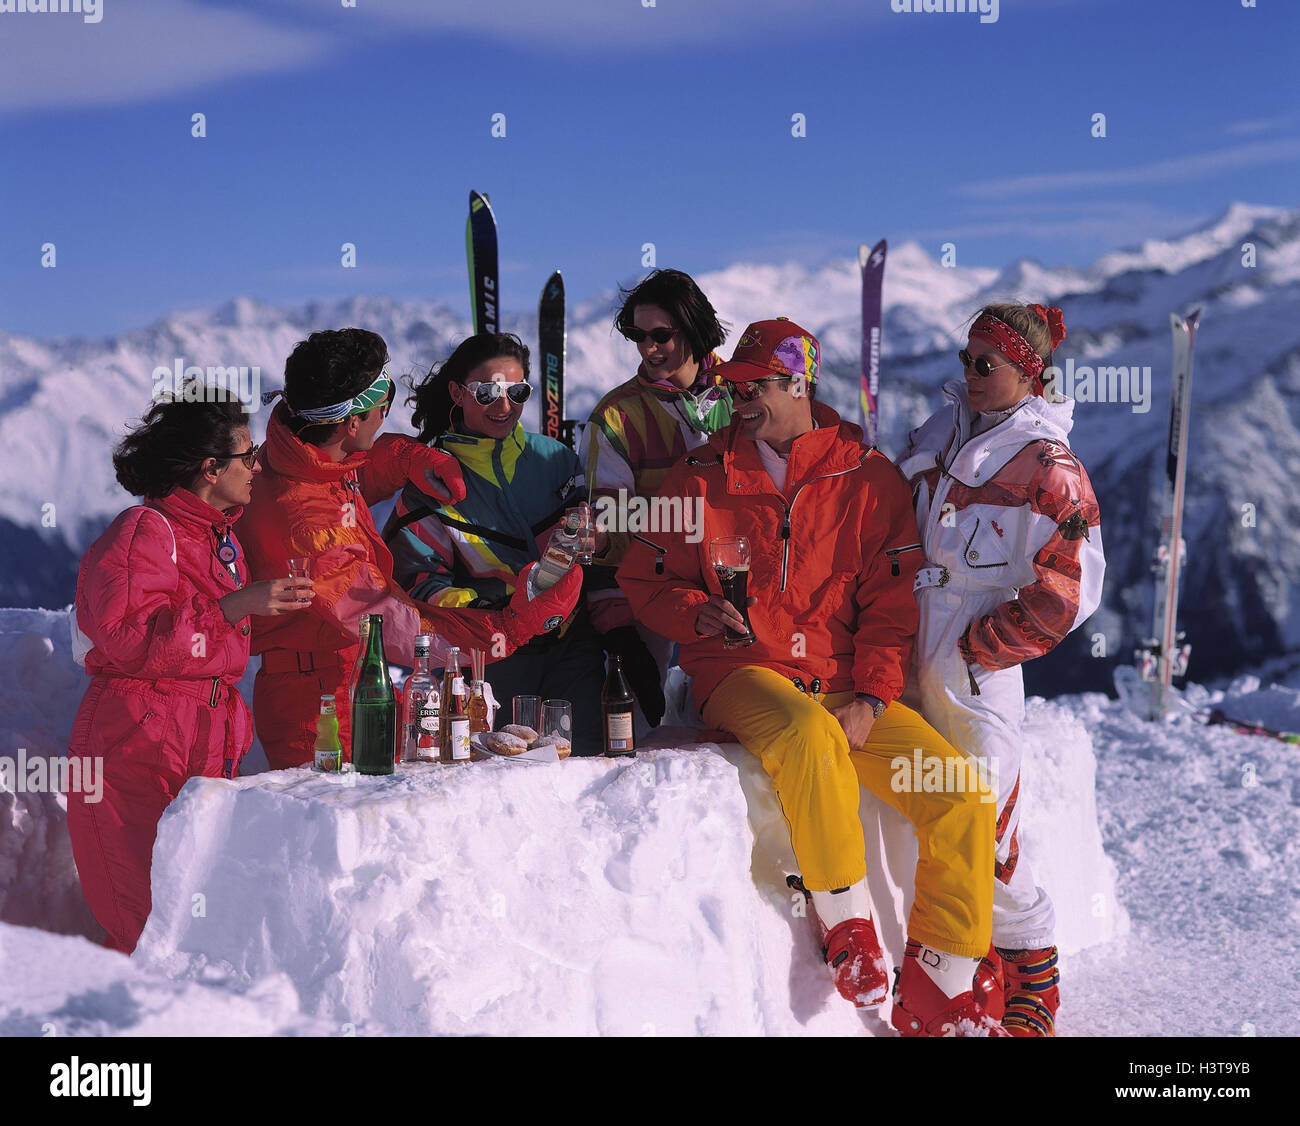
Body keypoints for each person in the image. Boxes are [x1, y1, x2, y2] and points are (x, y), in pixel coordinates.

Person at [617, 318, 1003, 1036]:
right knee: (805, 734)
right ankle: (846, 923)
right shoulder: (700, 476)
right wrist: (698, 613)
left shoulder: (868, 477)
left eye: (754, 386)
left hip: (841, 680)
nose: (740, 400)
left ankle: (940, 982)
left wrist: (875, 696)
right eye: (732, 388)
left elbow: (892, 608)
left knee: (959, 797)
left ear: (798, 383)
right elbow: (646, 575)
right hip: (741, 673)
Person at [896, 302, 1105, 1036]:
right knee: (929, 810)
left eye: (987, 364)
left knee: (984, 823)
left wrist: (991, 642)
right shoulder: (938, 433)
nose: (970, 374)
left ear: (1028, 373)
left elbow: (1075, 585)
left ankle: (1035, 975)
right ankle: (966, 962)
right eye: (966, 359)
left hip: (977, 672)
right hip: (909, 649)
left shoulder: (1051, 468)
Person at [240, 328, 582, 770]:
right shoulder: (311, 529)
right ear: (351, 422)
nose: (387, 414)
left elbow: (339, 473)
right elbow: (389, 625)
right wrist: (508, 627)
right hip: (320, 699)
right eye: (384, 404)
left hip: (339, 675)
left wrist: (407, 458)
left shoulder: (293, 454)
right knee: (337, 825)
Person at [68, 394, 315, 954]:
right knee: (145, 923)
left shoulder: (214, 536)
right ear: (211, 468)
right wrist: (237, 606)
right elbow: (131, 638)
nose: (258, 467)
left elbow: (205, 642)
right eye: (248, 456)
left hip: (197, 734)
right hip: (136, 738)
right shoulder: (144, 530)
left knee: (188, 919)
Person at [384, 332, 606, 755]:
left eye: (517, 392)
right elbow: (417, 584)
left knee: (584, 767)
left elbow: (590, 548)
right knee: (502, 782)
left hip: (572, 647)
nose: (504, 407)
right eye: (487, 392)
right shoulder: (431, 482)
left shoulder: (556, 460)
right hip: (493, 657)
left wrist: (599, 541)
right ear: (457, 393)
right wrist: (497, 607)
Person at [582, 268, 732, 731]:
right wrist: (621, 629)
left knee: (734, 740)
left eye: (661, 335)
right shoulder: (617, 417)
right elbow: (608, 530)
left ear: (695, 329)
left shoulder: (744, 395)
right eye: (637, 335)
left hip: (739, 590)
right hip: (658, 598)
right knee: (652, 746)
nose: (648, 347)